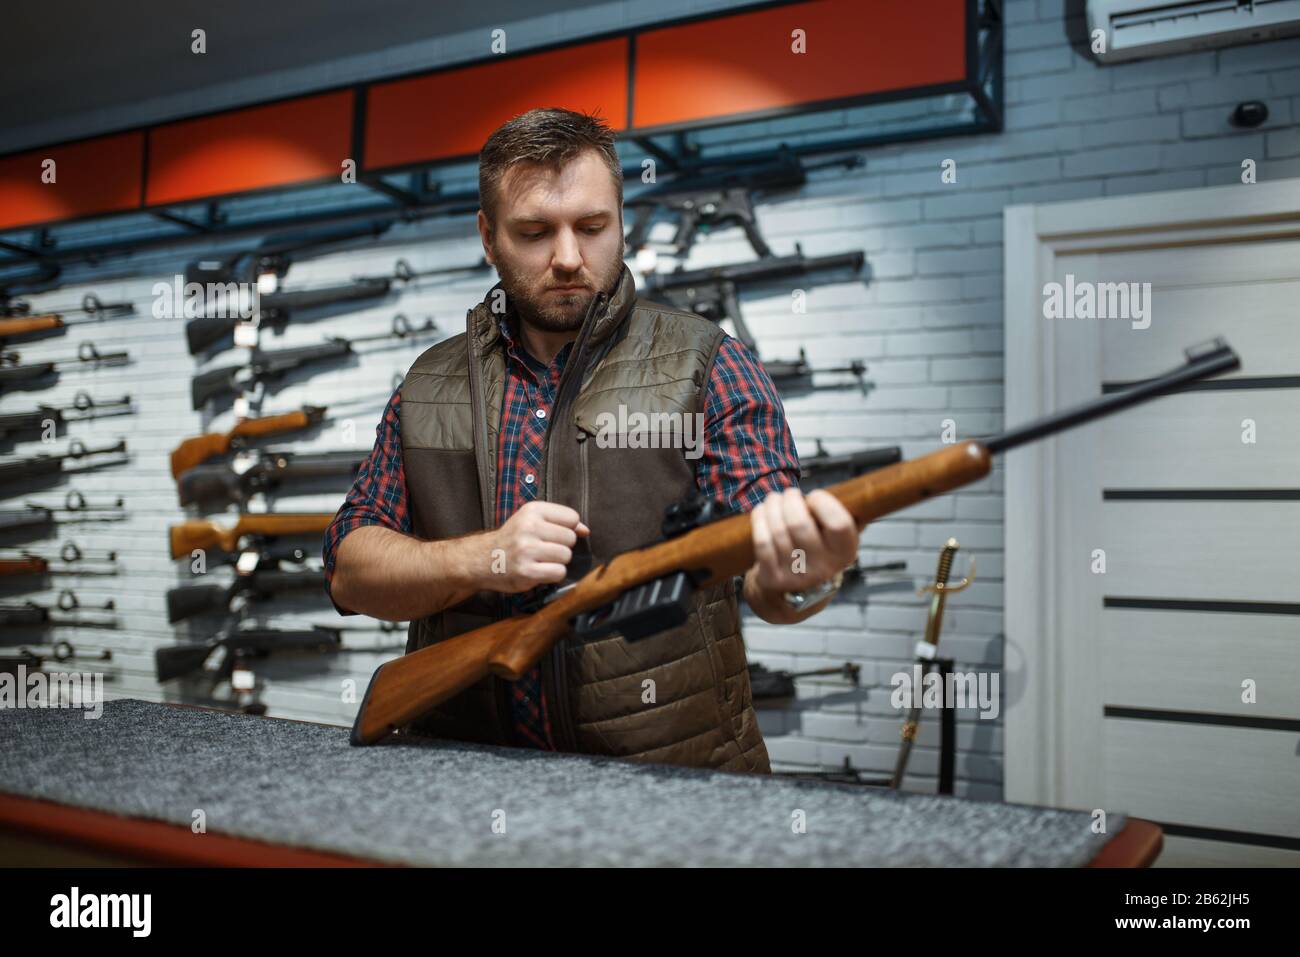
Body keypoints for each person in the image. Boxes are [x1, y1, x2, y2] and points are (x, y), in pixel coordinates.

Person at [324, 107, 860, 773]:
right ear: (487, 237)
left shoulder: (710, 364)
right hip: (455, 779)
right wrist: (485, 558)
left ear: (622, 222)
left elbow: (768, 572)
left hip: (672, 786)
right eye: (534, 232)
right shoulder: (428, 383)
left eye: (592, 226)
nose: (570, 258)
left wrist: (799, 569)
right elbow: (351, 570)